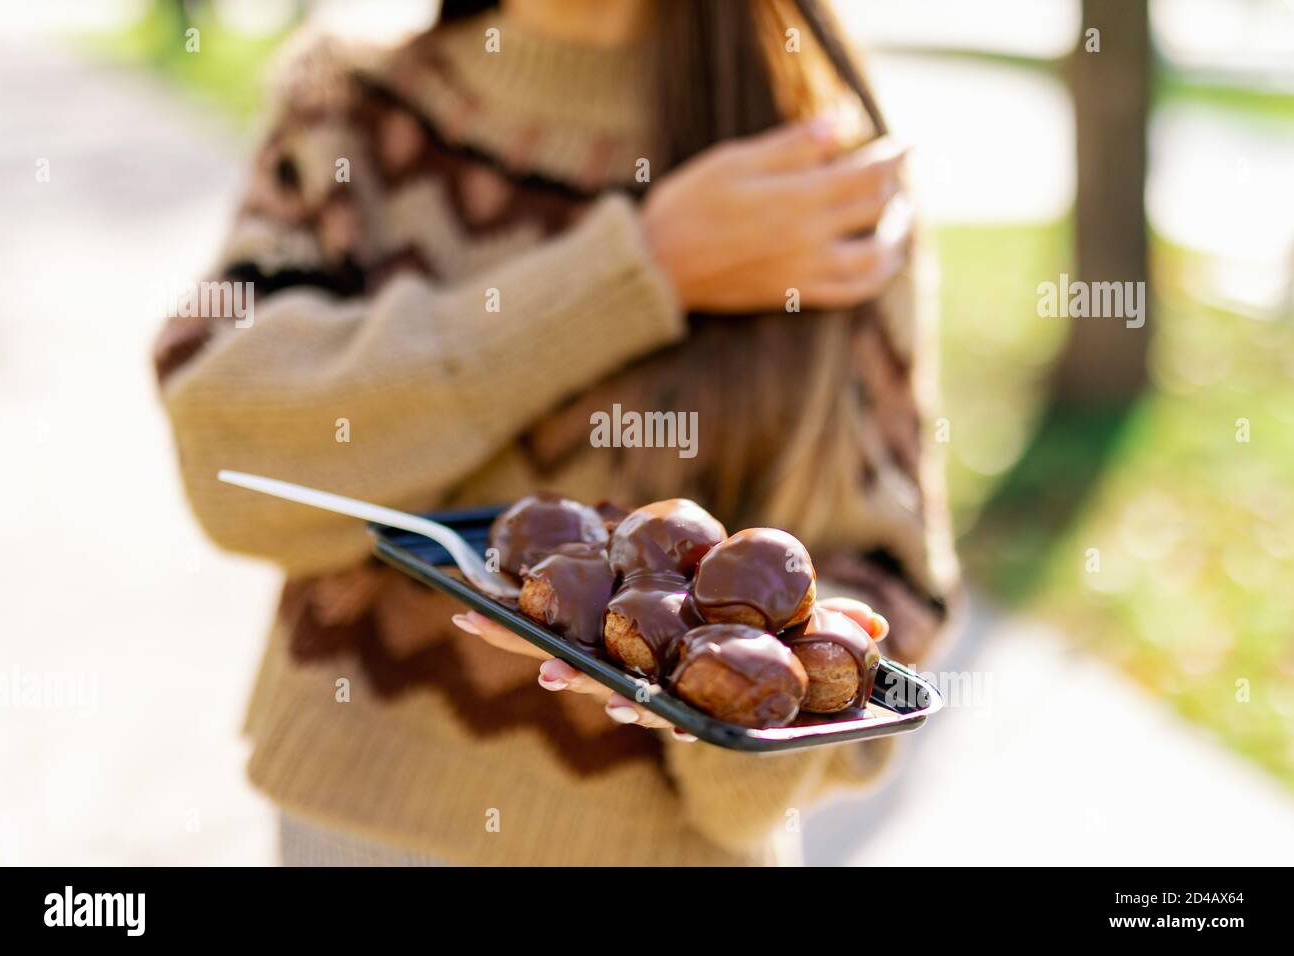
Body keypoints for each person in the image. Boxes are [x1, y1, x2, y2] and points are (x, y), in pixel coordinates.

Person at [154, 0, 958, 866]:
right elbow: (229, 459)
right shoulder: (354, 102)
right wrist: (638, 271)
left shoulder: (816, 172)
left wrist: (737, 720)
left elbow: (884, 583)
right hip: (361, 834)